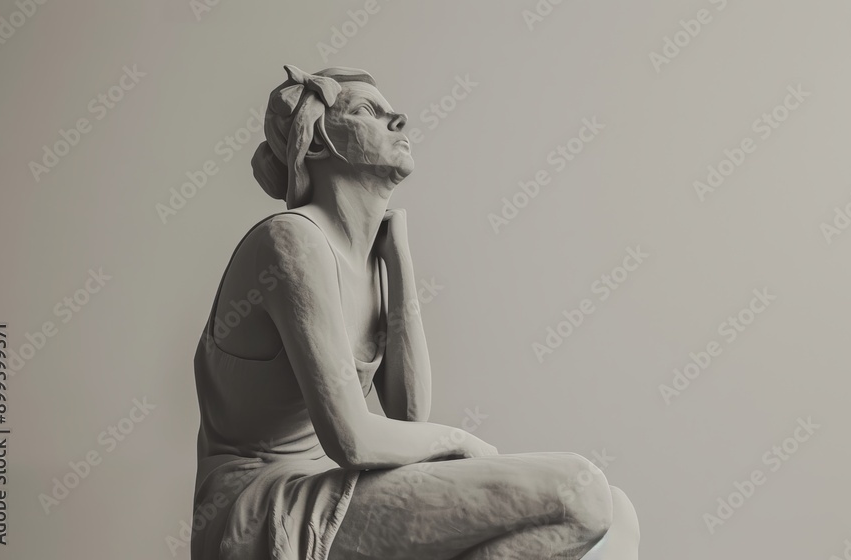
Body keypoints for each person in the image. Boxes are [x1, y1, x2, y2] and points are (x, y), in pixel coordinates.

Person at [190, 64, 641, 560]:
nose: (398, 119)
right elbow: (354, 441)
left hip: (337, 490)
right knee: (582, 492)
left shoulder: (371, 262)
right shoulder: (290, 240)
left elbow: (407, 414)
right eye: (368, 111)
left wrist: (398, 264)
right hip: (266, 512)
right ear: (316, 146)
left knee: (617, 517)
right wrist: (462, 441)